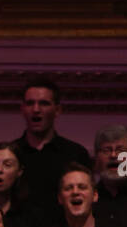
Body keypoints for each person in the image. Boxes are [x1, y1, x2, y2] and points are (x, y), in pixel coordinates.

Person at [9, 79, 91, 213]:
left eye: (44, 103)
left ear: (57, 110)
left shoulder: (75, 154)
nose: (36, 109)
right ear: (22, 109)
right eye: (30, 103)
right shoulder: (11, 154)